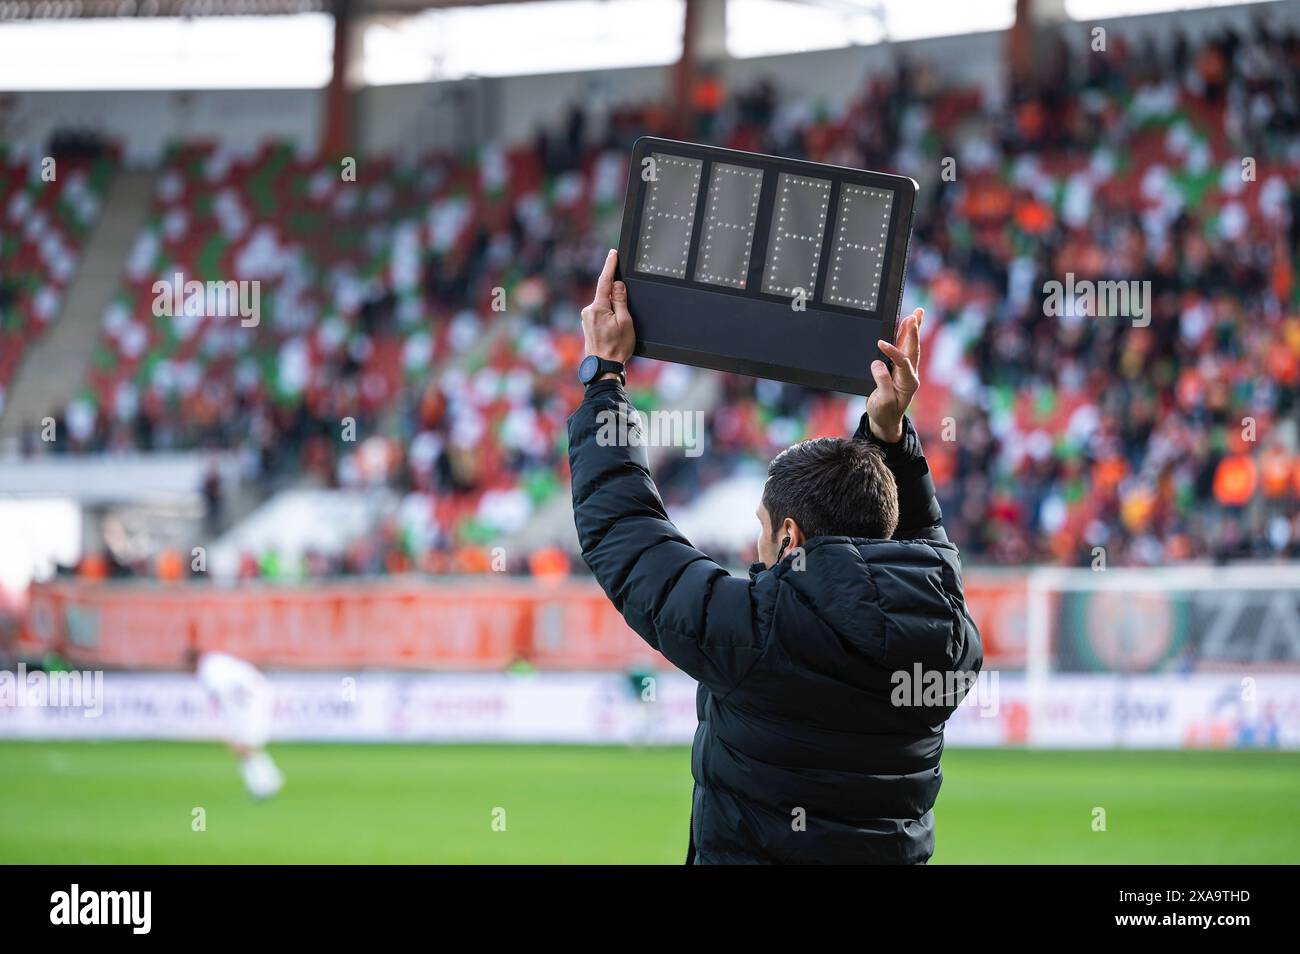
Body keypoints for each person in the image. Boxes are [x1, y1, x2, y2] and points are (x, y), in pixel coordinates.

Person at [568, 250, 982, 864]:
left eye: (762, 532)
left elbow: (625, 532)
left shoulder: (757, 631)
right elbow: (920, 545)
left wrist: (604, 376)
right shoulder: (946, 631)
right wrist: (889, 435)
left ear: (789, 537)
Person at [185, 641, 284, 801]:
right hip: (248, 700)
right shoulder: (214, 662)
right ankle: (261, 784)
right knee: (240, 746)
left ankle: (268, 782)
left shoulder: (209, 669)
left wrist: (233, 721)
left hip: (252, 701)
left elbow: (228, 693)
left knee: (245, 745)